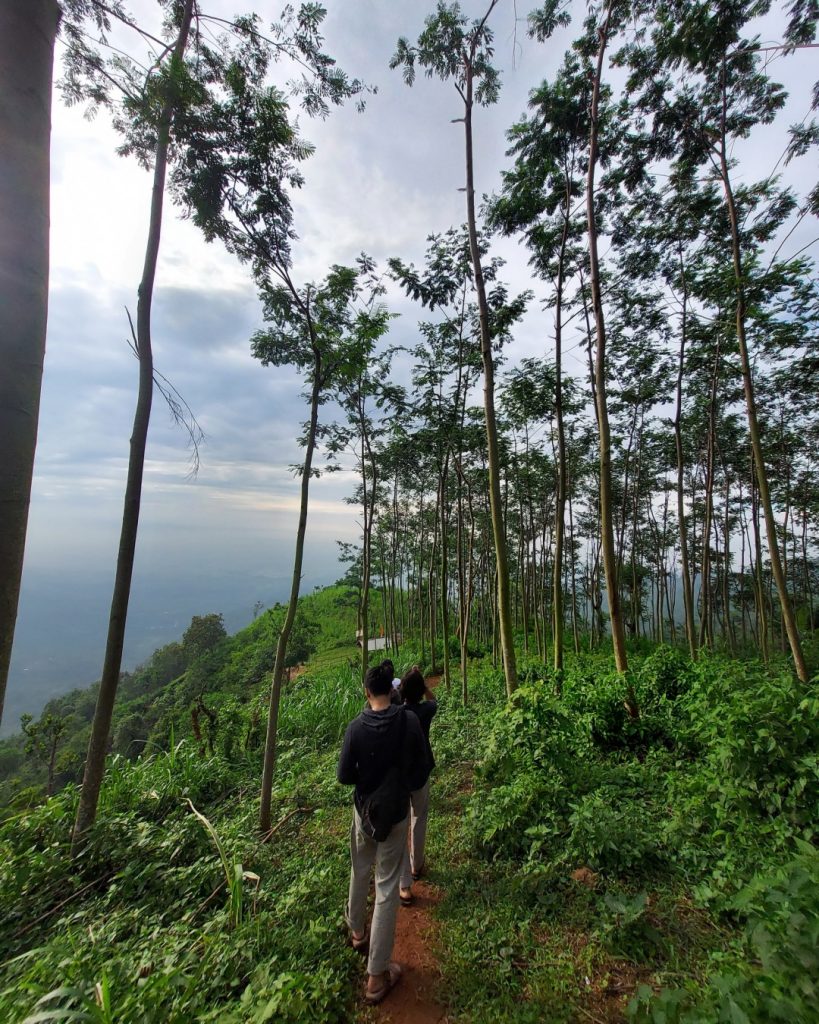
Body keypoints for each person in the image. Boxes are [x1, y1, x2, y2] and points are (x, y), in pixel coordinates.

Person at [338, 663, 427, 1004]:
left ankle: (357, 931)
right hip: (397, 813)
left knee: (359, 868)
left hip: (364, 813)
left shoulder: (355, 728)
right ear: (391, 692)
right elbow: (419, 770)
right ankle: (376, 976)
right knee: (387, 887)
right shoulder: (409, 721)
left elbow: (345, 776)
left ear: (366, 693)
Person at [397, 667, 437, 907]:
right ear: (420, 690)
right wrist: (425, 689)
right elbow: (435, 700)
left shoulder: (397, 713)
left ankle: (404, 881)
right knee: (419, 818)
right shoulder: (426, 710)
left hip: (400, 776)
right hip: (420, 772)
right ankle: (416, 865)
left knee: (400, 826)